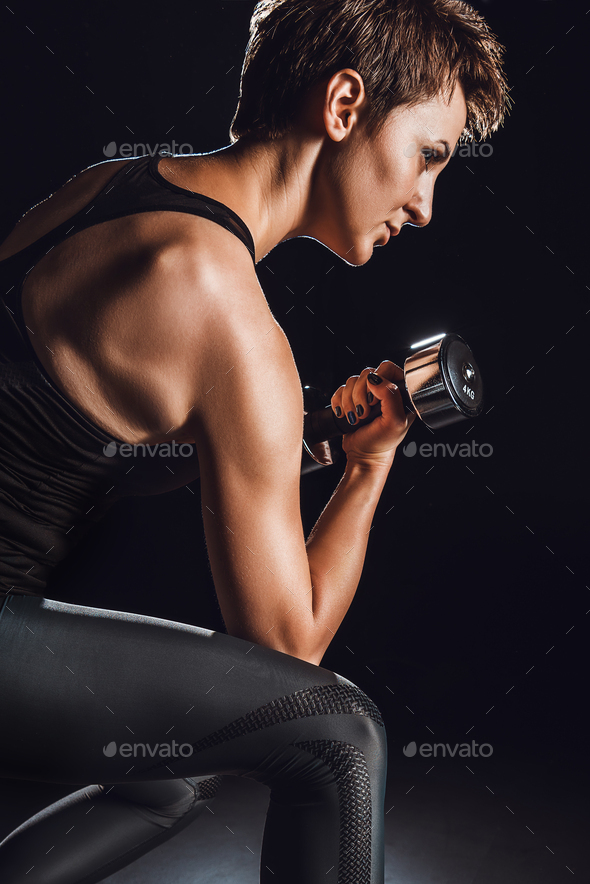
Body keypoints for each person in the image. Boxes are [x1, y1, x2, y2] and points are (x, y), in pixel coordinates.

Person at [0, 0, 508, 881]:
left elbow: (66, 430)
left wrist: (295, 433)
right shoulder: (227, 316)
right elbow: (288, 663)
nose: (425, 206)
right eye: (428, 156)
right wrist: (368, 464)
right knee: (337, 734)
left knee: (169, 766)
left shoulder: (112, 189)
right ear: (344, 106)